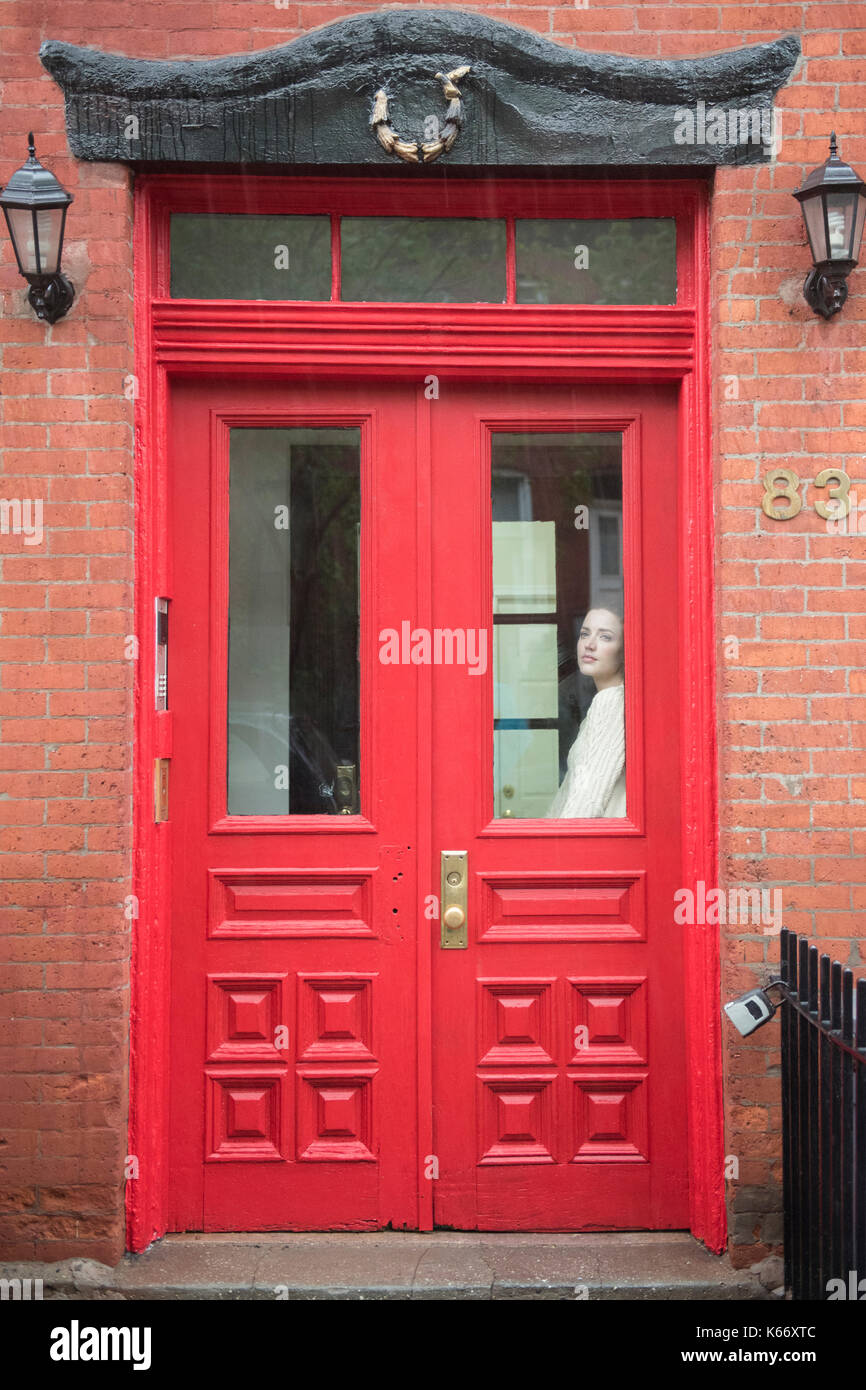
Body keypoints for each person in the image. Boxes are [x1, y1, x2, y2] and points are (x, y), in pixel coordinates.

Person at [546, 607, 626, 819]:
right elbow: (570, 791)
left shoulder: (611, 703)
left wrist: (554, 847)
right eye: (584, 634)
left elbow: (588, 798)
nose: (589, 645)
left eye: (605, 637)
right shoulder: (604, 704)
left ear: (624, 650)